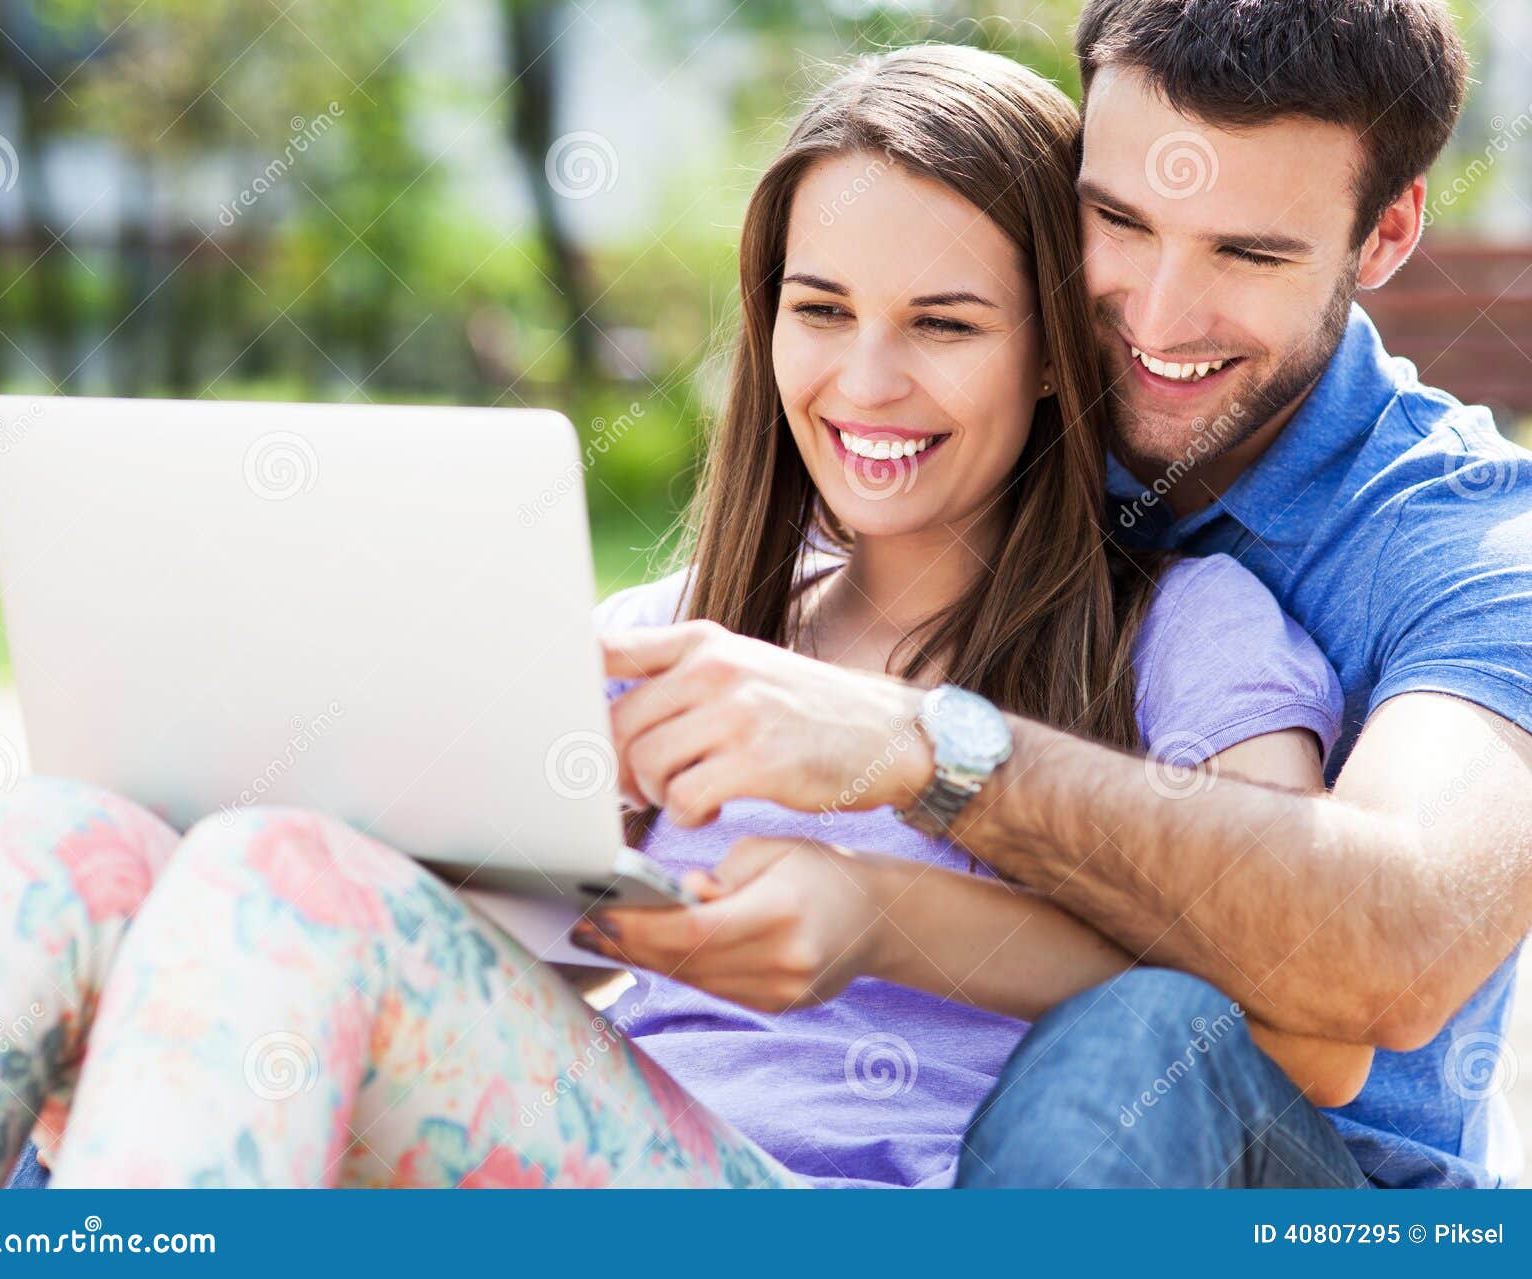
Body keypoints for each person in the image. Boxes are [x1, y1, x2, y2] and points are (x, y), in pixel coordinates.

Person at [0, 45, 1358, 1190]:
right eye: (820, 309)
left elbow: (1289, 997)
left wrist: (884, 922)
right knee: (64, 841)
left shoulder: (1187, 628)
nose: (866, 380)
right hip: (613, 1151)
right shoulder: (670, 630)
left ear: (1055, 351)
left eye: (944, 323)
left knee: (286, 875)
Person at [597, 2, 1532, 1188]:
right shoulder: (975, 432)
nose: (1152, 318)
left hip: (1314, 1197)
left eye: (1246, 252)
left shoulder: (1477, 549)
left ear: (1387, 230)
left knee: (1143, 1030)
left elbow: (1394, 951)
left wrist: (919, 752)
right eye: (1117, 221)